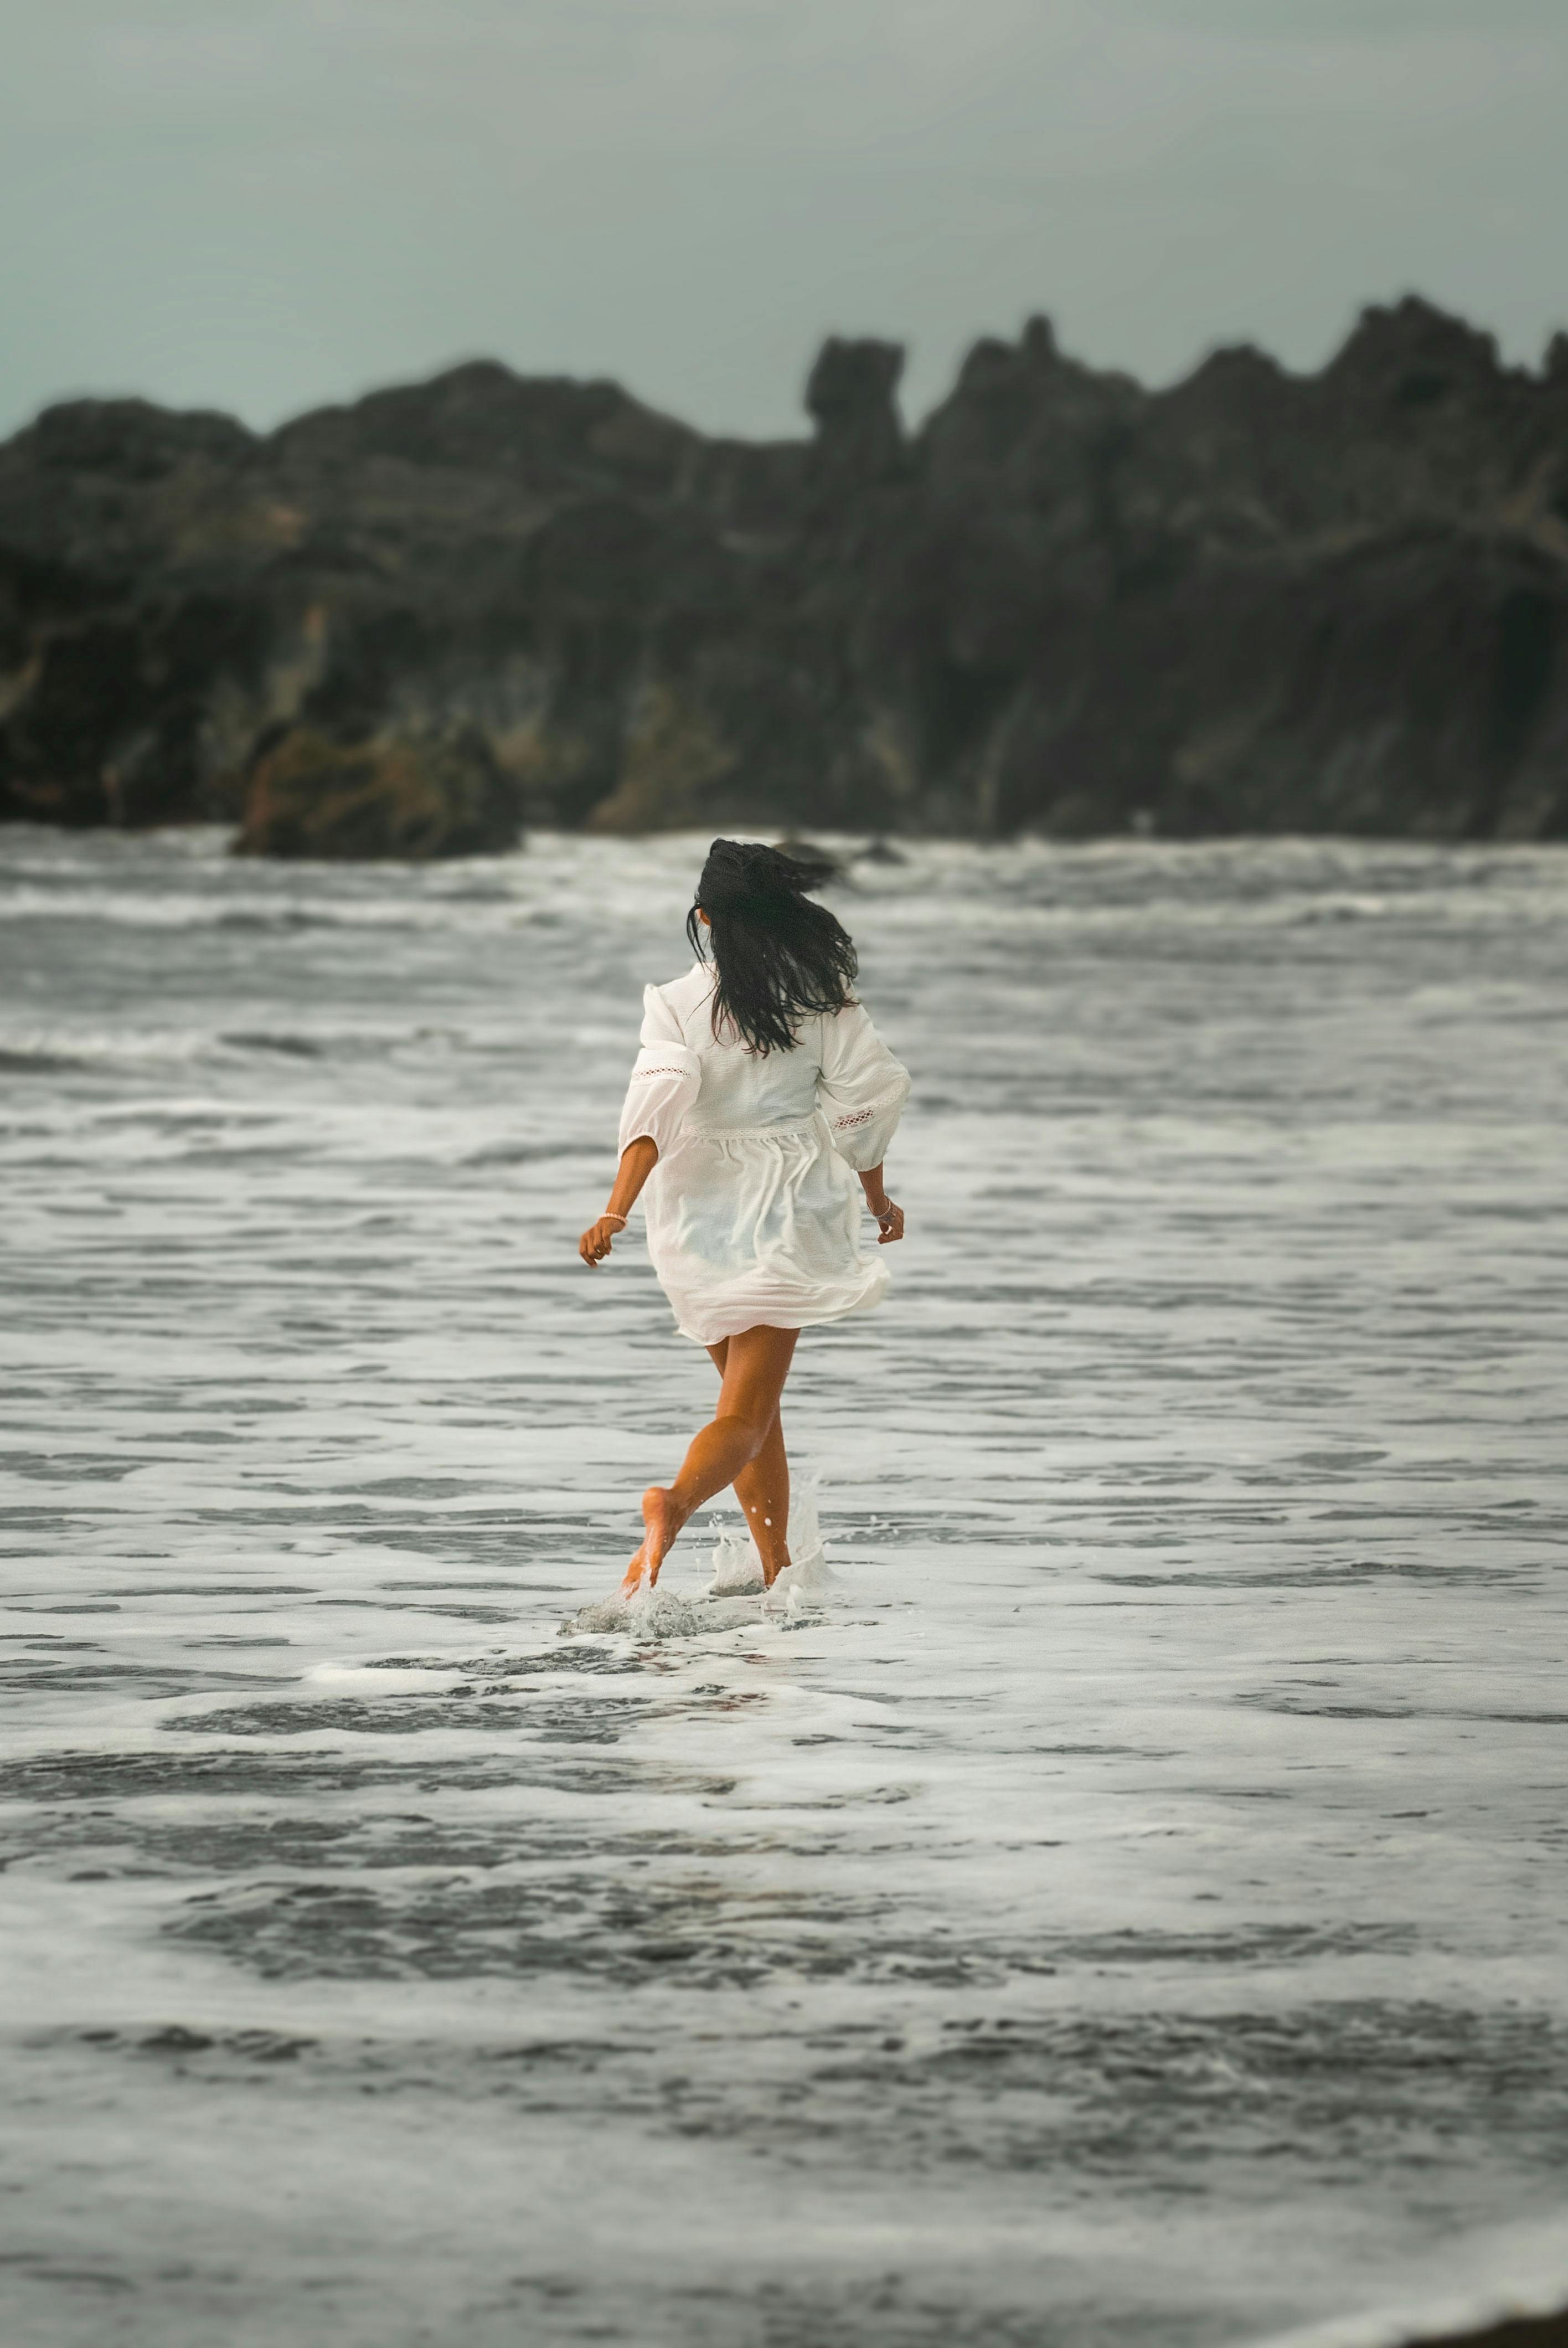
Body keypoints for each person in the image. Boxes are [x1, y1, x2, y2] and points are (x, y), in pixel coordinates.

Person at [578, 838, 911, 1598]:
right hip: (784, 1209)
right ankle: (674, 1503)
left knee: (752, 1411)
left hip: (693, 1212)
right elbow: (863, 1110)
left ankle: (776, 1573)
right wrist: (879, 1202)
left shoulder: (672, 1002)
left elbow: (652, 1111)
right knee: (748, 1414)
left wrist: (616, 1209)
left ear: (704, 918)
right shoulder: (822, 1000)